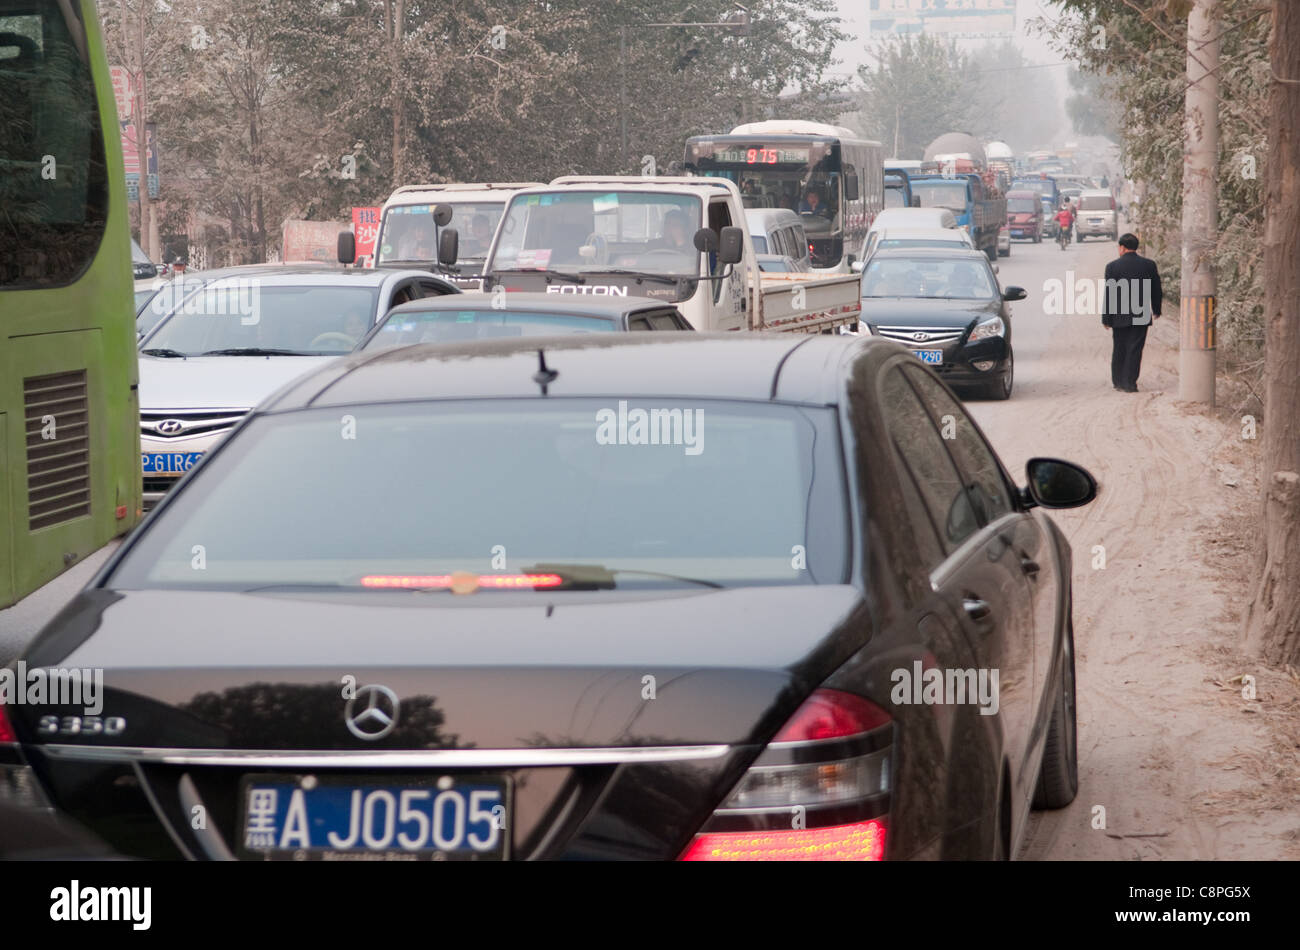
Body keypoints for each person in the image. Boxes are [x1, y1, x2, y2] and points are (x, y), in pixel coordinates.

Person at [1101, 232, 1163, 393]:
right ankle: (1130, 383)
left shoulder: (1112, 266)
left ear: (1122, 248)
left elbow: (1110, 295)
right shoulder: (1149, 265)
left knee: (1119, 347)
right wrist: (1156, 309)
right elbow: (1156, 289)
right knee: (1135, 349)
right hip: (1141, 314)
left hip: (1119, 315)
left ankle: (1118, 381)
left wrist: (1106, 318)